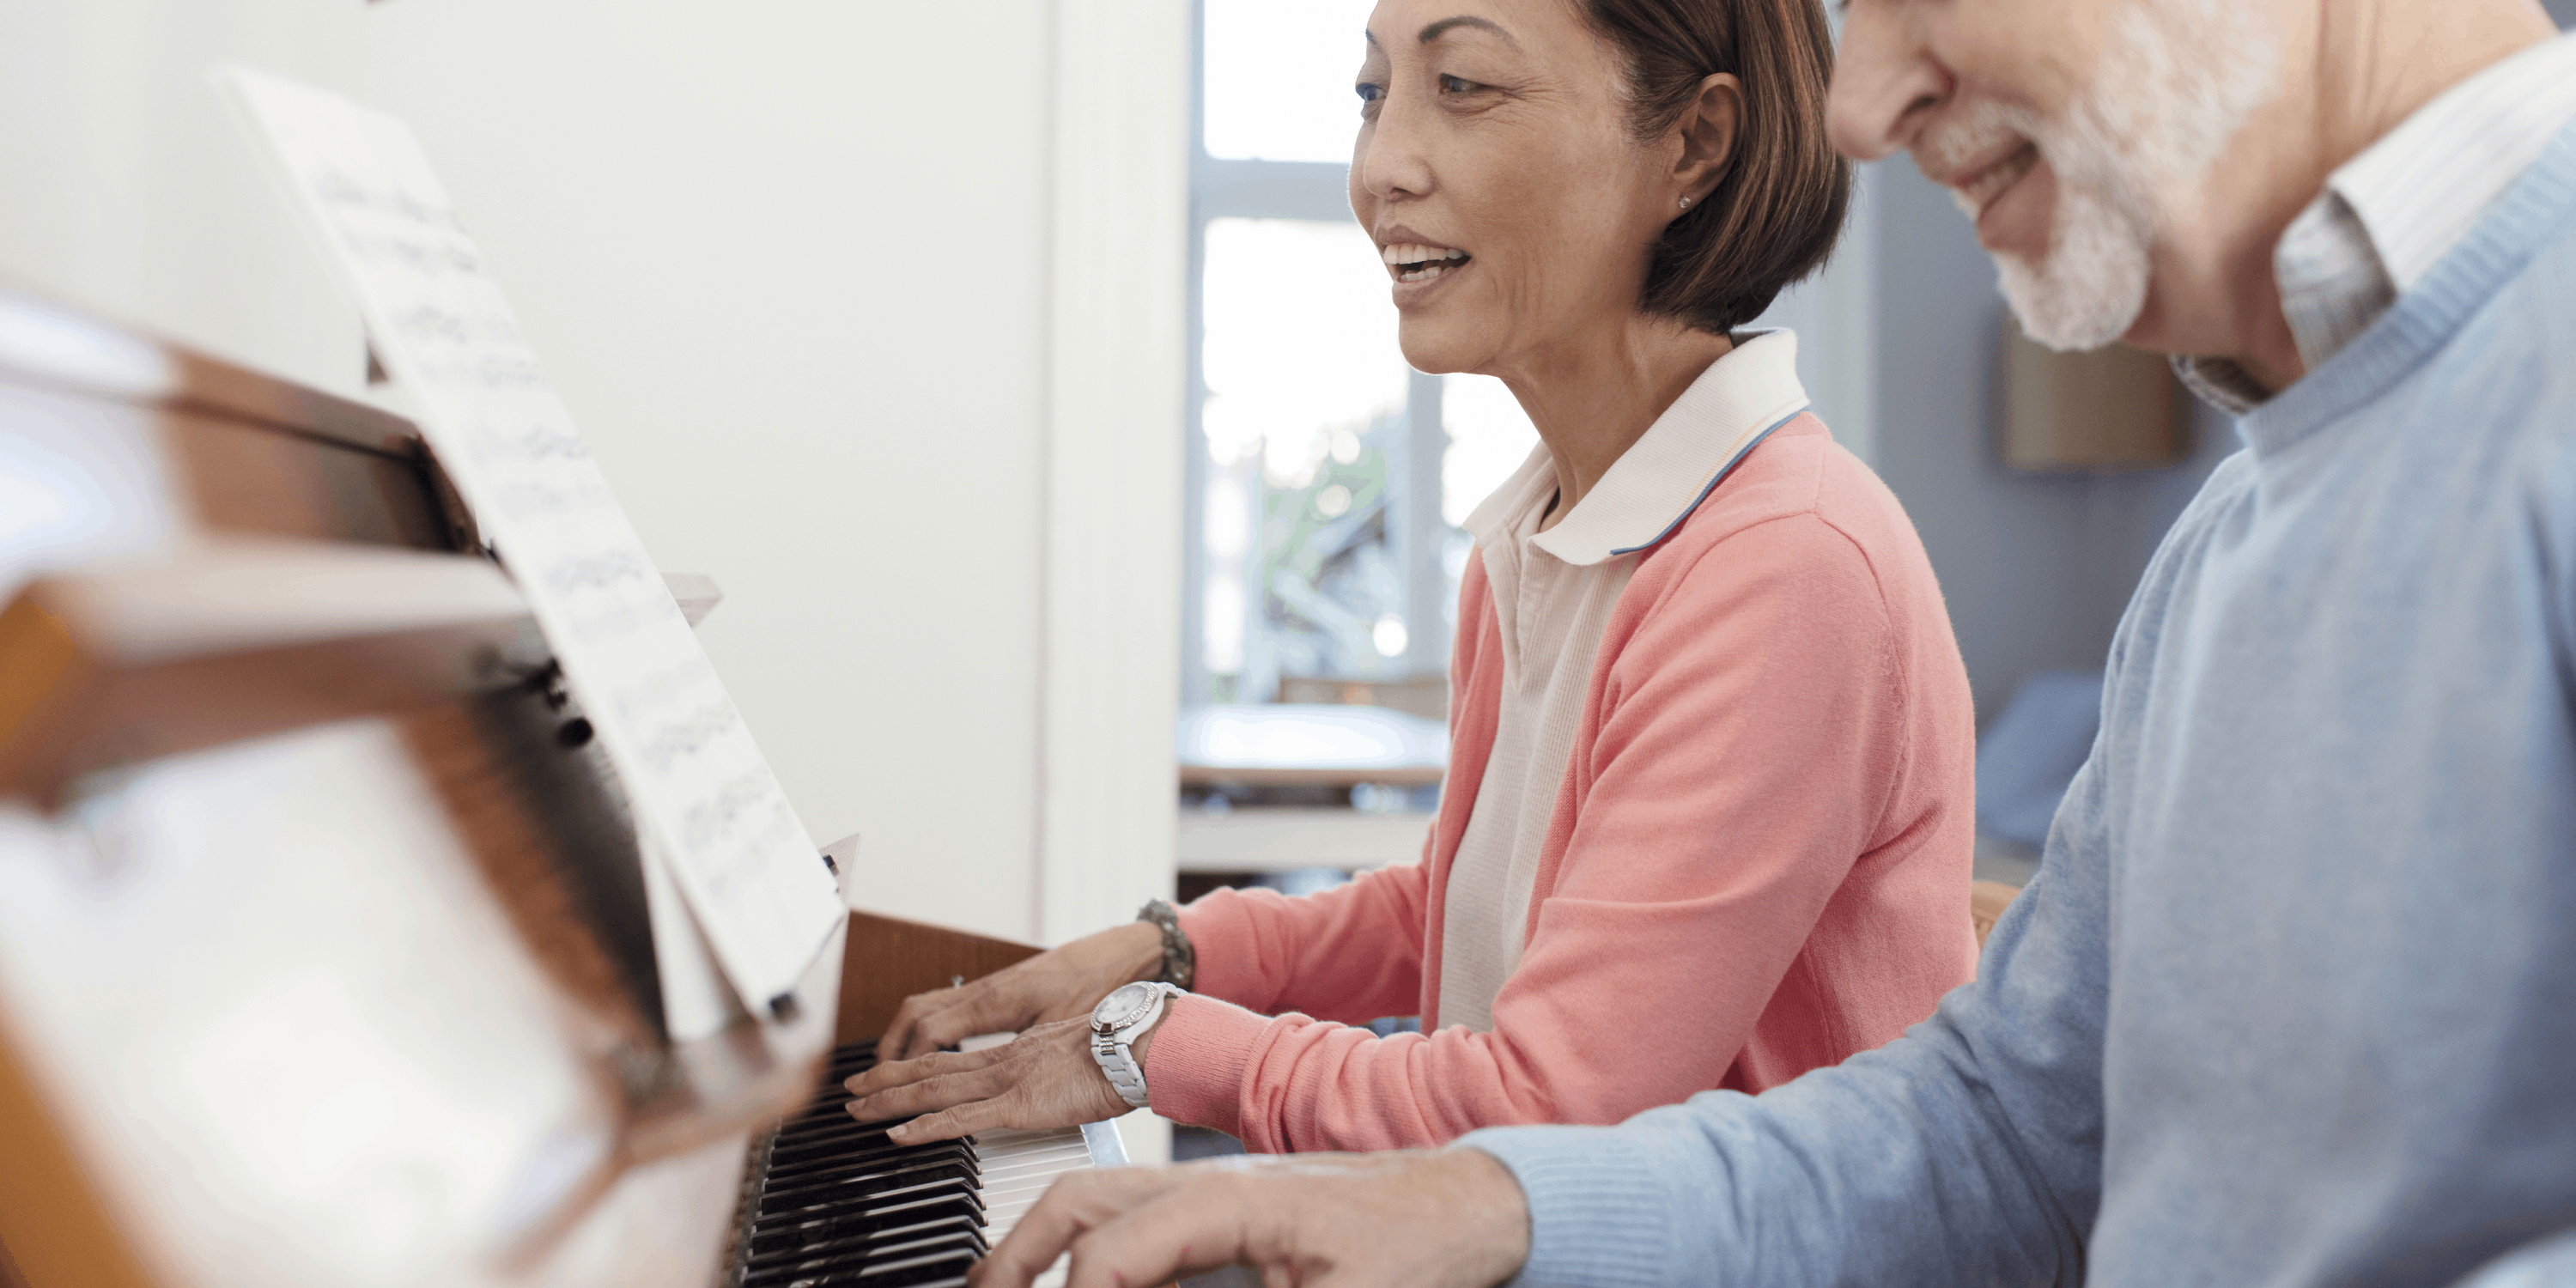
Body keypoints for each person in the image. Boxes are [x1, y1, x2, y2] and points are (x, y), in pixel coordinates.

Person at [963, 0, 2576, 1283]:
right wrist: (1473, 1205)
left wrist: (1189, 1052)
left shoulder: (1801, 551)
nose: (1860, 106)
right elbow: (2006, 1143)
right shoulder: (2236, 538)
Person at [841, 0, 1982, 1156]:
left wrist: (1155, 1045)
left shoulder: (1787, 568)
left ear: (1693, 145)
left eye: (1465, 86)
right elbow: (1465, 910)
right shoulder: (1542, 533)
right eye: (1371, 93)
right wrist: (1169, 952)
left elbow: (1549, 1108)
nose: (1380, 166)